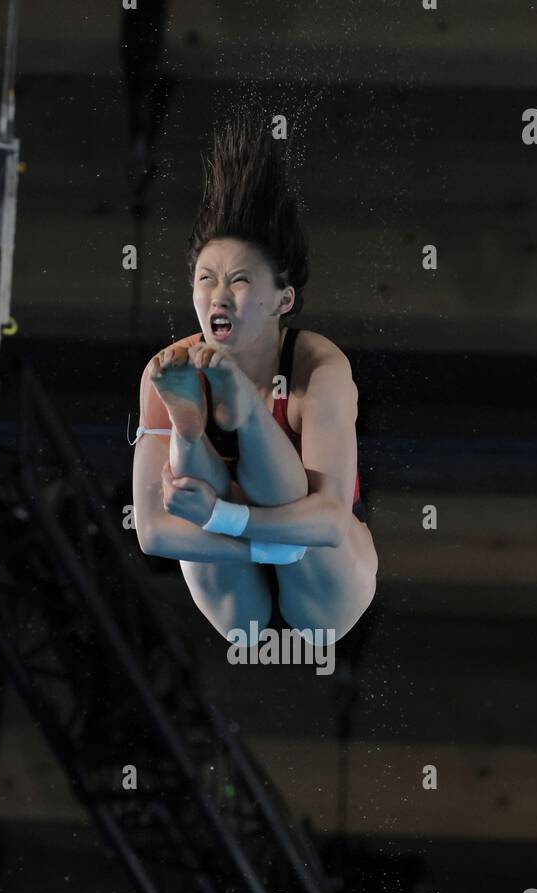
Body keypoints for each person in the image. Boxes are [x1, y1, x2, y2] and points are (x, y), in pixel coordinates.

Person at [131, 114, 378, 646]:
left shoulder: (320, 368)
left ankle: (240, 412)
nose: (218, 296)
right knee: (190, 473)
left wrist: (220, 516)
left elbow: (331, 525)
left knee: (281, 487)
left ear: (283, 300)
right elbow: (150, 532)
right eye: (205, 279)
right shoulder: (167, 370)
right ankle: (192, 434)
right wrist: (254, 541)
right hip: (238, 596)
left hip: (325, 588)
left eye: (239, 281)